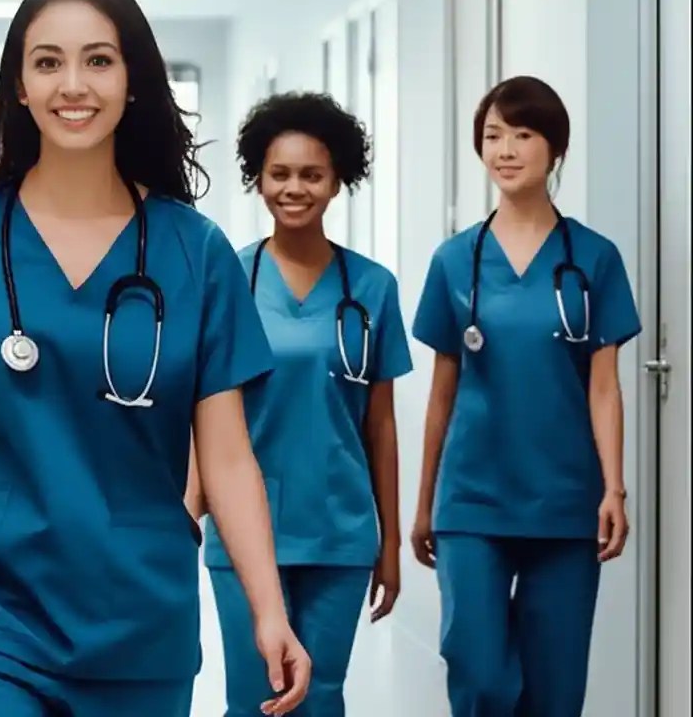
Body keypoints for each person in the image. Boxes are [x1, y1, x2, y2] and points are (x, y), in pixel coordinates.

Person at [0, 0, 312, 715]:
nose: (72, 84)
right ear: (18, 84)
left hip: (136, 618)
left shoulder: (193, 251)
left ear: (132, 78)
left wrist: (268, 609)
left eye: (98, 61)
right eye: (48, 62)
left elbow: (228, 455)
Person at [410, 75, 640, 717]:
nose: (504, 149)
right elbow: (441, 393)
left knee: (555, 692)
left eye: (522, 133)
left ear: (555, 148)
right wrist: (424, 502)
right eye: (491, 136)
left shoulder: (594, 259)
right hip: (473, 503)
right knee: (479, 674)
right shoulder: (455, 260)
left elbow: (603, 386)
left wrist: (613, 488)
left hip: (564, 502)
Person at [190, 91, 412, 717]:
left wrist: (389, 544)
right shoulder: (229, 279)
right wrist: (189, 505)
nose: (295, 188)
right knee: (254, 701)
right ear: (257, 179)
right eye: (279, 173)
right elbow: (202, 413)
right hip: (243, 531)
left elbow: (381, 426)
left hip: (339, 529)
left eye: (311, 174)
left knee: (321, 699)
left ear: (337, 179)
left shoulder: (372, 287)